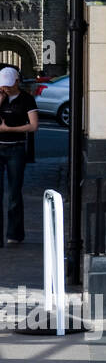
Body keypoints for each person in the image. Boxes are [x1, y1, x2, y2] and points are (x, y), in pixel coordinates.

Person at [0, 67, 39, 246]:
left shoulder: (26, 99)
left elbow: (33, 126)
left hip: (16, 149)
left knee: (14, 193)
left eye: (8, 85)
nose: (6, 88)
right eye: (3, 85)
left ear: (17, 82)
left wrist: (10, 130)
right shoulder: (1, 97)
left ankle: (14, 234)